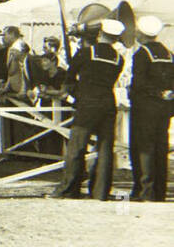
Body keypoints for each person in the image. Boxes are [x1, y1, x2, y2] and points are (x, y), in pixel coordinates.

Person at [50, 19, 125, 200]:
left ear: (100, 33)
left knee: (77, 147)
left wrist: (78, 92)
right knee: (105, 148)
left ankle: (69, 189)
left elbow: (68, 80)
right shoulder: (118, 59)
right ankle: (100, 191)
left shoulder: (86, 53)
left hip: (88, 104)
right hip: (108, 103)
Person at [128, 15, 173, 202]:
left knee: (144, 148)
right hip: (164, 108)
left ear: (142, 33)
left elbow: (139, 82)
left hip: (145, 107)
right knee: (160, 147)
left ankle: (145, 190)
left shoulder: (141, 54)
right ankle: (159, 191)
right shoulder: (169, 54)